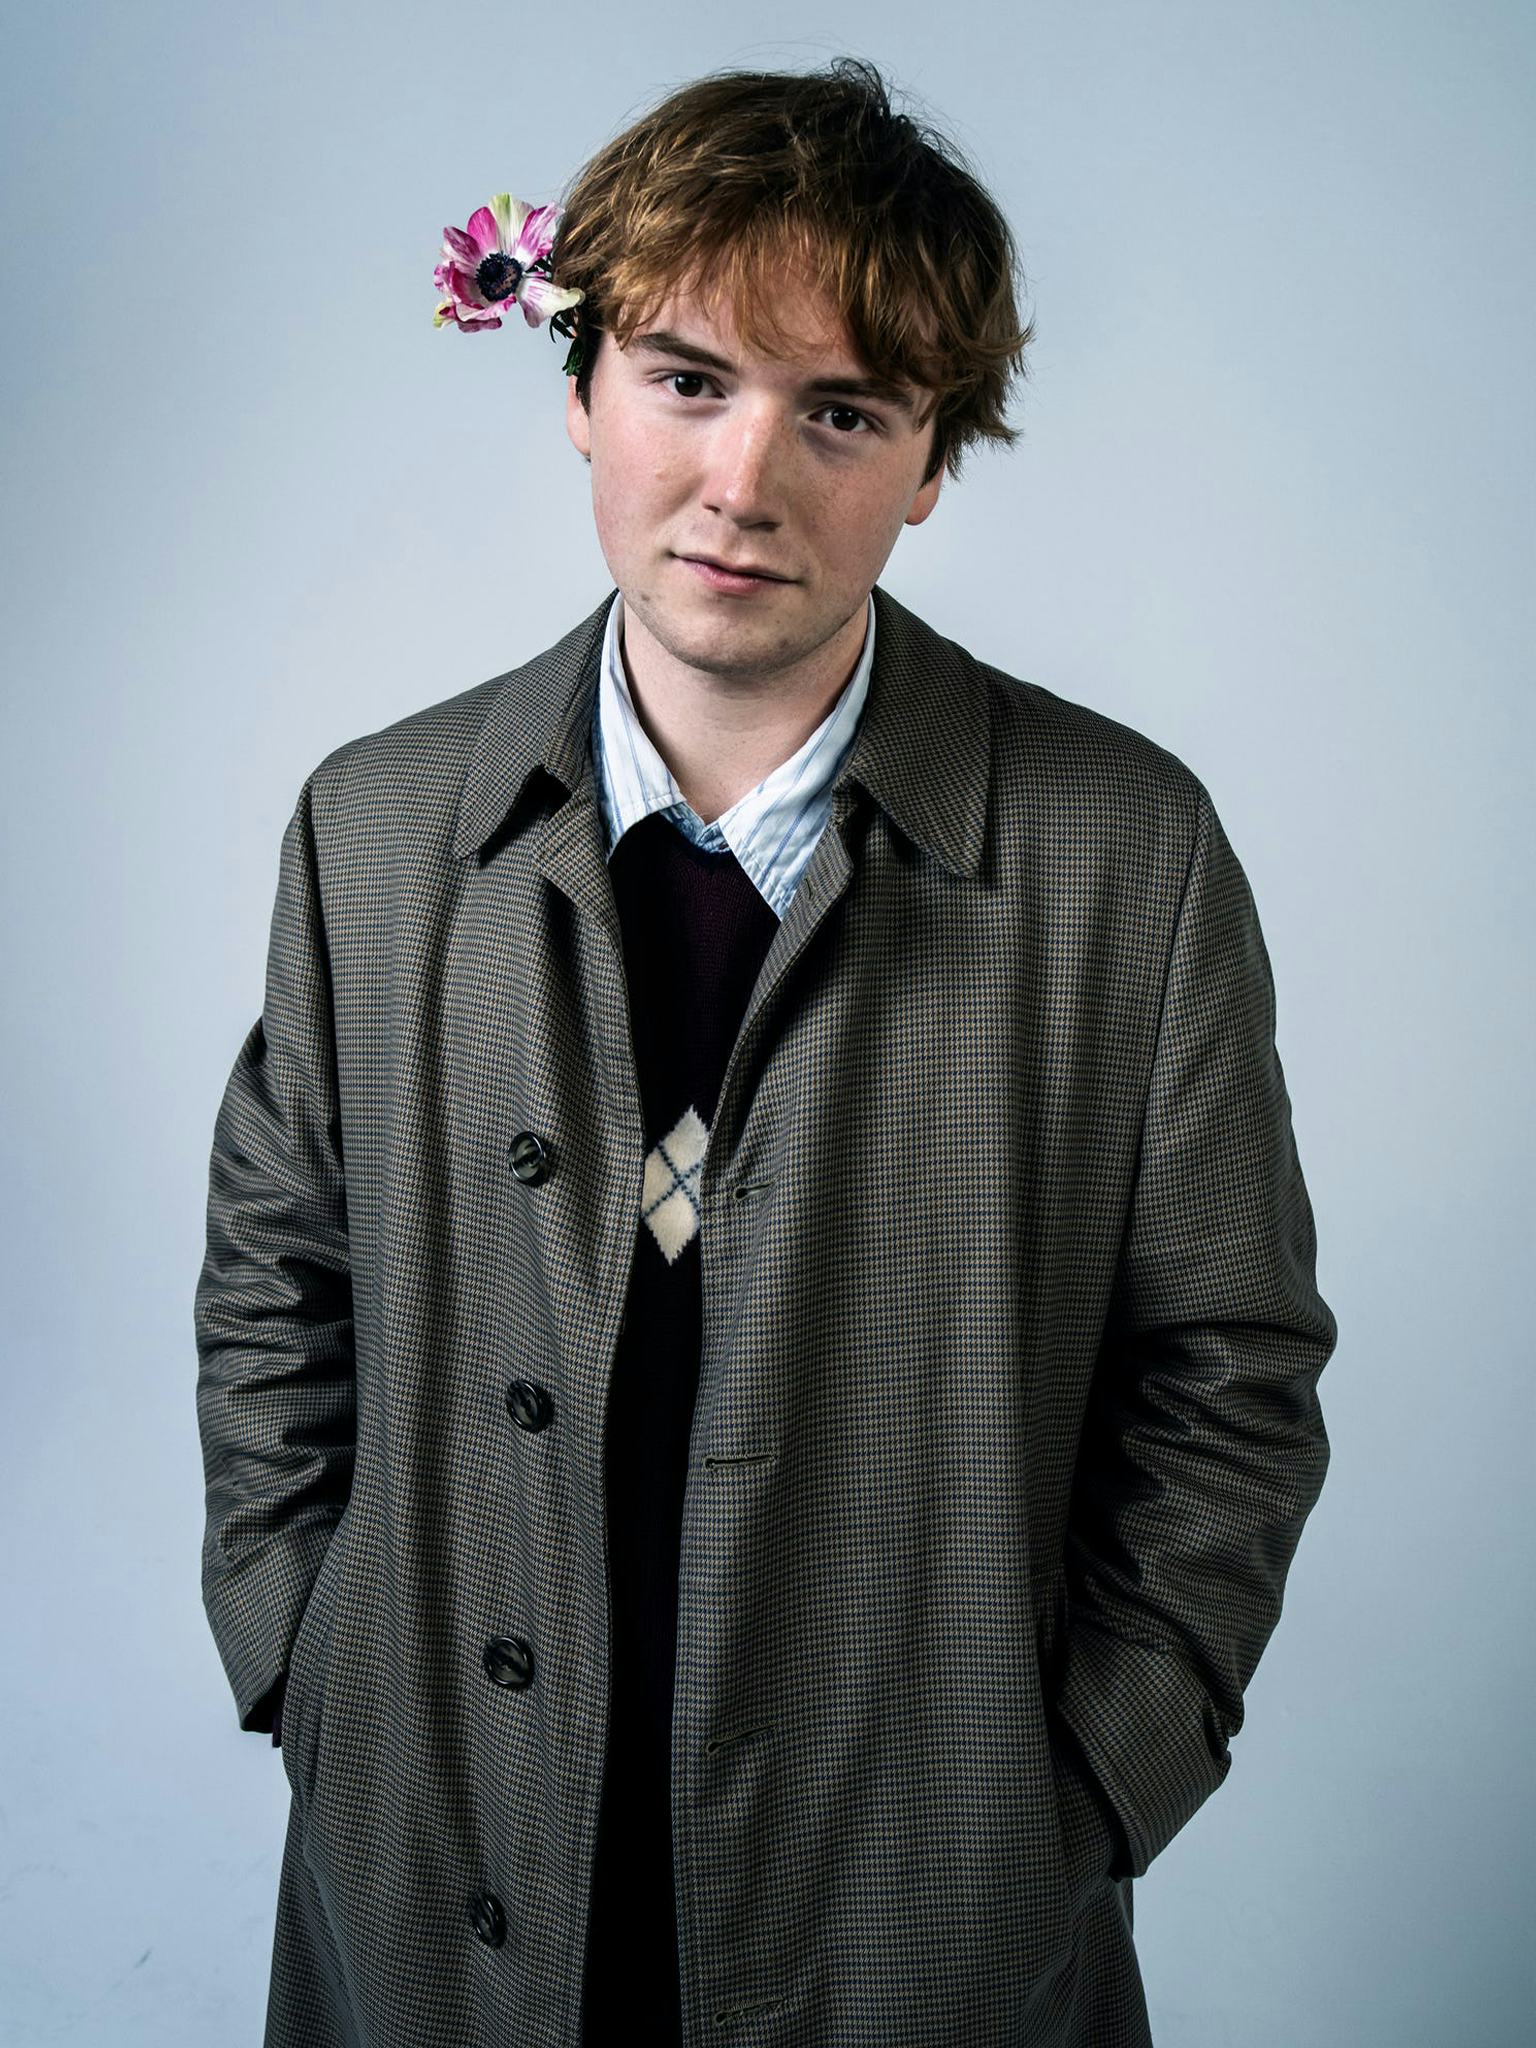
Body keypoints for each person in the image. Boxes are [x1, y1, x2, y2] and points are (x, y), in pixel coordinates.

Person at [195, 56, 1338, 2048]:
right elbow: (272, 1291)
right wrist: (304, 1657)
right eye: (688, 379)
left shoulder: (1124, 853)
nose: (745, 481)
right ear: (578, 388)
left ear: (932, 458)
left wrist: (1084, 1789)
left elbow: (1228, 1372)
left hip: (927, 1911)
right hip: (436, 1860)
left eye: (844, 411)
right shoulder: (371, 830)